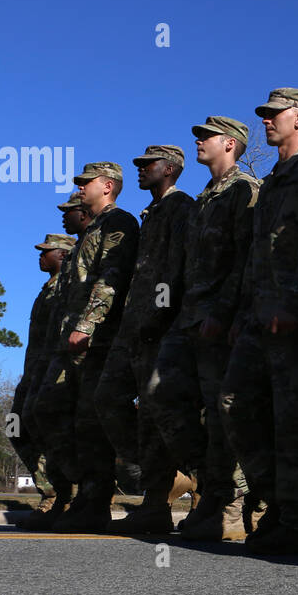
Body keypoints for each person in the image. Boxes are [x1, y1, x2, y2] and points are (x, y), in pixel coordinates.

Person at [221, 89, 298, 555]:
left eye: (274, 115)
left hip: (296, 317)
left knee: (295, 420)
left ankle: (296, 521)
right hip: (259, 316)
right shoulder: (270, 181)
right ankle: (277, 502)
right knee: (235, 402)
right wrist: (244, 311)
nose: (267, 122)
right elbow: (257, 255)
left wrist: (293, 303)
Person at [147, 117, 260, 541]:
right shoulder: (202, 201)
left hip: (219, 319)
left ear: (229, 144)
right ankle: (208, 482)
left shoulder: (245, 191)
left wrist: (227, 312)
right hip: (187, 317)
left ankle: (228, 503)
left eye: (205, 137)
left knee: (221, 414)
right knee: (161, 395)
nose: (198, 142)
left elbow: (245, 258)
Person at [32, 162, 141, 533]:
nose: (79, 189)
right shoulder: (89, 232)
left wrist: (87, 325)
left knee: (91, 421)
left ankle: (103, 496)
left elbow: (111, 278)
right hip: (72, 342)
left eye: (86, 183)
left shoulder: (118, 222)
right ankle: (83, 493)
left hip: (99, 339)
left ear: (108, 186)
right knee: (50, 410)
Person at [95, 145, 196, 534]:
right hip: (133, 328)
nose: (140, 169)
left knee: (159, 413)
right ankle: (168, 481)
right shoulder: (150, 214)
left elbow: (178, 269)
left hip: (162, 327)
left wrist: (163, 315)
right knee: (109, 399)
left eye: (147, 164)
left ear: (168, 169)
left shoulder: (180, 208)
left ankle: (164, 496)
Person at [9, 233, 73, 524]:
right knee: (16, 427)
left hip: (51, 369)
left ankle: (61, 496)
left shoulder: (67, 287)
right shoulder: (47, 288)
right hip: (33, 370)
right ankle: (51, 491)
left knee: (49, 427)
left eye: (46, 251)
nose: (40, 255)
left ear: (62, 256)